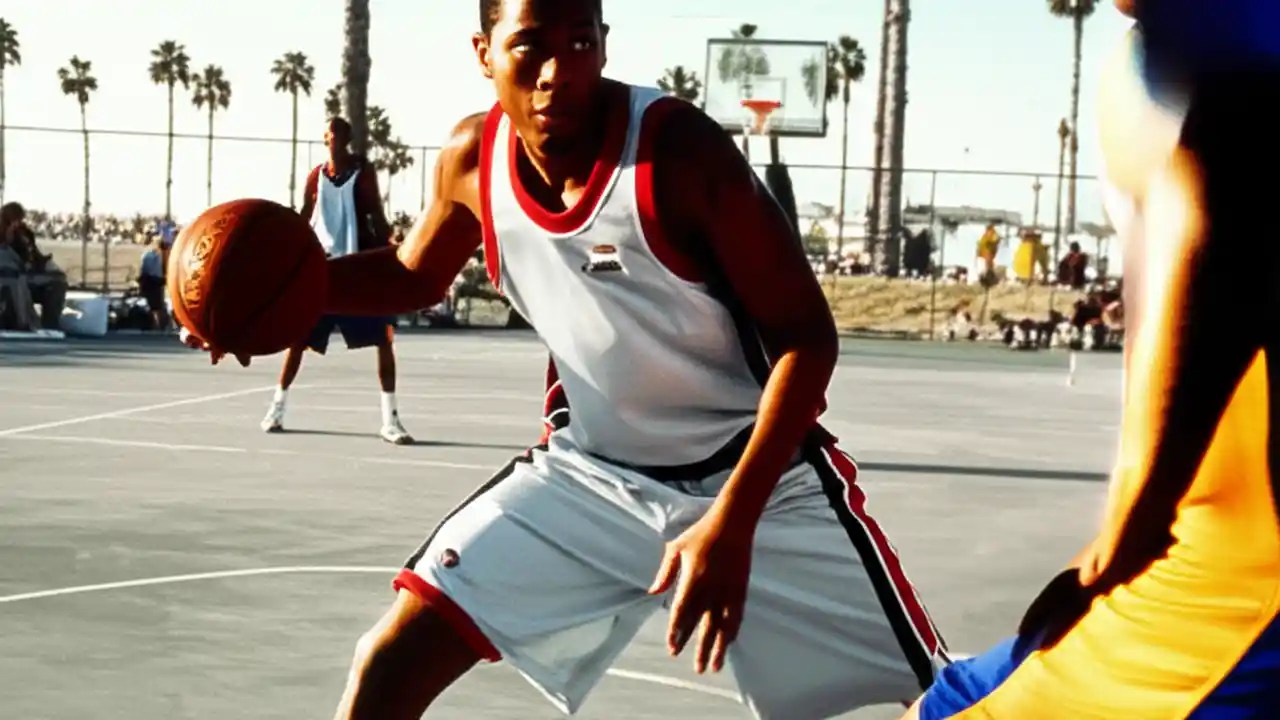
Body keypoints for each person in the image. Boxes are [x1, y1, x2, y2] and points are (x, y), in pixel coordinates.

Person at [195, 1, 948, 717]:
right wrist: (272, 298)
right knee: (389, 662)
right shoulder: (471, 160)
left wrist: (734, 518)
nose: (559, 71)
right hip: (592, 476)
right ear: (484, 53)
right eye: (530, 46)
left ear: (604, 44)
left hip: (759, 481)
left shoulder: (676, 153)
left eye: (581, 43)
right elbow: (413, 274)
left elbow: (807, 337)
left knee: (943, 703)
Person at [902, 2, 1280, 717]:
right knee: (946, 700)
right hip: (1199, 546)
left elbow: (1216, 192)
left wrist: (1134, 521)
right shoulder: (1155, 56)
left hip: (1234, 593)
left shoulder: (1219, 39)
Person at [259, 117, 413, 445]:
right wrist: (286, 245)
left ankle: (391, 421)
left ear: (347, 138)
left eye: (340, 133)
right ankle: (277, 408)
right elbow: (304, 215)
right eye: (330, 132)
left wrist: (391, 244)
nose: (334, 138)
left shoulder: (362, 172)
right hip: (323, 268)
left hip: (356, 269)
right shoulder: (316, 176)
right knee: (298, 341)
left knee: (384, 339)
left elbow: (375, 212)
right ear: (325, 138)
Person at [137, 235, 169, 330]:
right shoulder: (154, 256)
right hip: (155, 281)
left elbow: (144, 270)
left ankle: (157, 325)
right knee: (156, 306)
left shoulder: (149, 255)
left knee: (154, 305)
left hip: (152, 281)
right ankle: (158, 325)